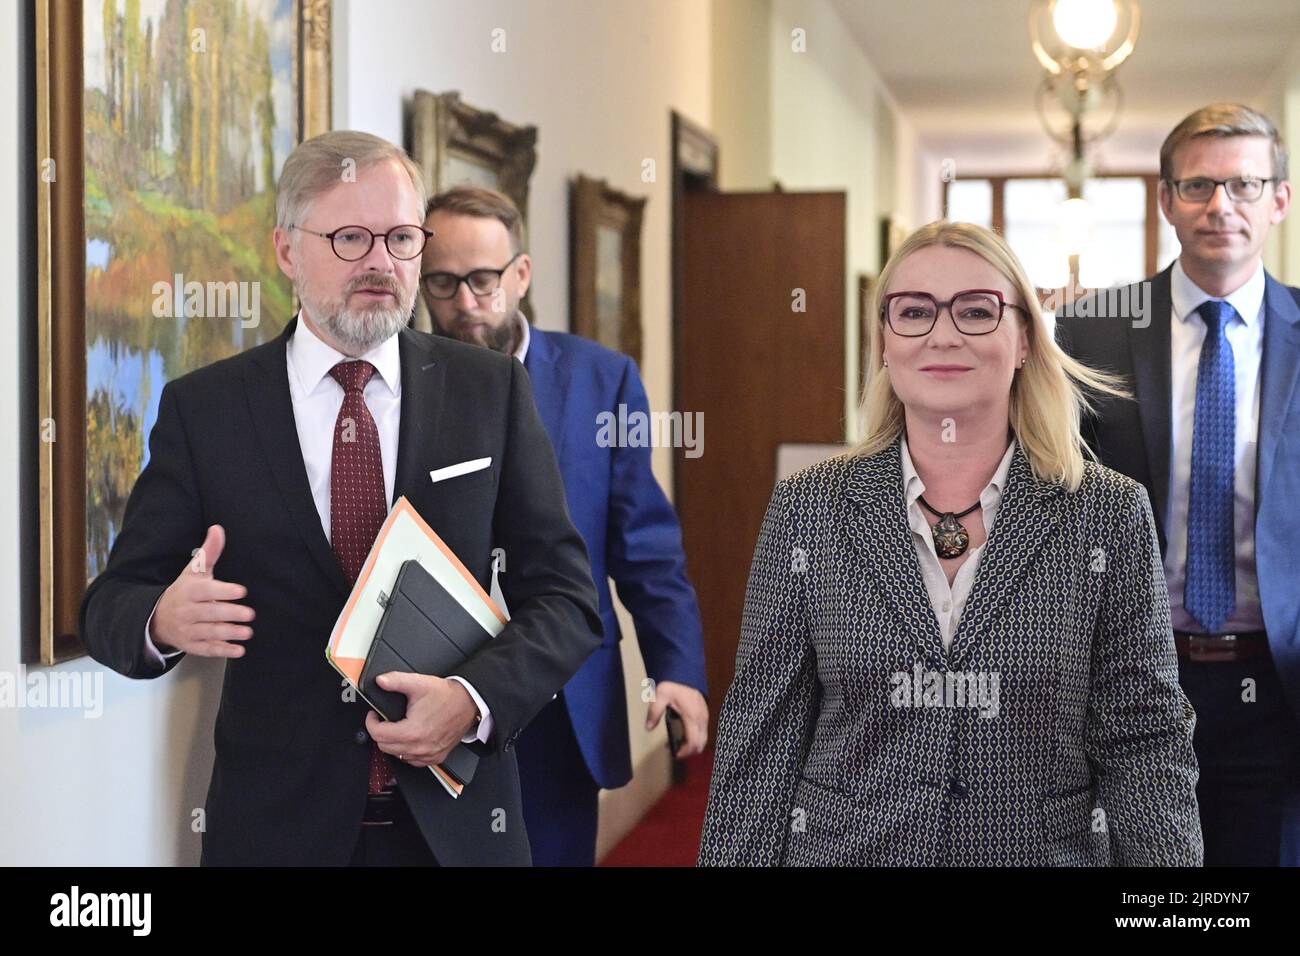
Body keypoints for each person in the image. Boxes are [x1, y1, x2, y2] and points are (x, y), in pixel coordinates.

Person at [79, 131, 602, 867]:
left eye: (400, 238)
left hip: (457, 831)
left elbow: (568, 597)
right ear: (288, 251)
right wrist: (160, 618)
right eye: (351, 237)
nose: (382, 263)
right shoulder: (208, 409)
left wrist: (473, 699)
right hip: (277, 831)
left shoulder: (489, 390)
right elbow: (110, 604)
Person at [697, 220, 1203, 866]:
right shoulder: (808, 509)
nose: (942, 334)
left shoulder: (1109, 517)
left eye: (975, 310)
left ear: (1023, 337)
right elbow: (761, 744)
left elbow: (1146, 746)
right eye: (913, 311)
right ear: (883, 340)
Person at [419, 185, 709, 866]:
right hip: (433, 694)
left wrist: (678, 669)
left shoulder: (602, 381)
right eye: (443, 281)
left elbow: (644, 545)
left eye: (484, 280)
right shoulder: (401, 382)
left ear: (520, 274)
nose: (465, 302)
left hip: (563, 698)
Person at [1057, 103, 1300, 866]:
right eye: (1197, 185)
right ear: (1166, 199)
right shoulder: (1091, 330)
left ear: (1280, 199)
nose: (1220, 206)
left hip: (1276, 680)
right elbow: (1053, 498)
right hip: (1132, 671)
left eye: (1244, 185)